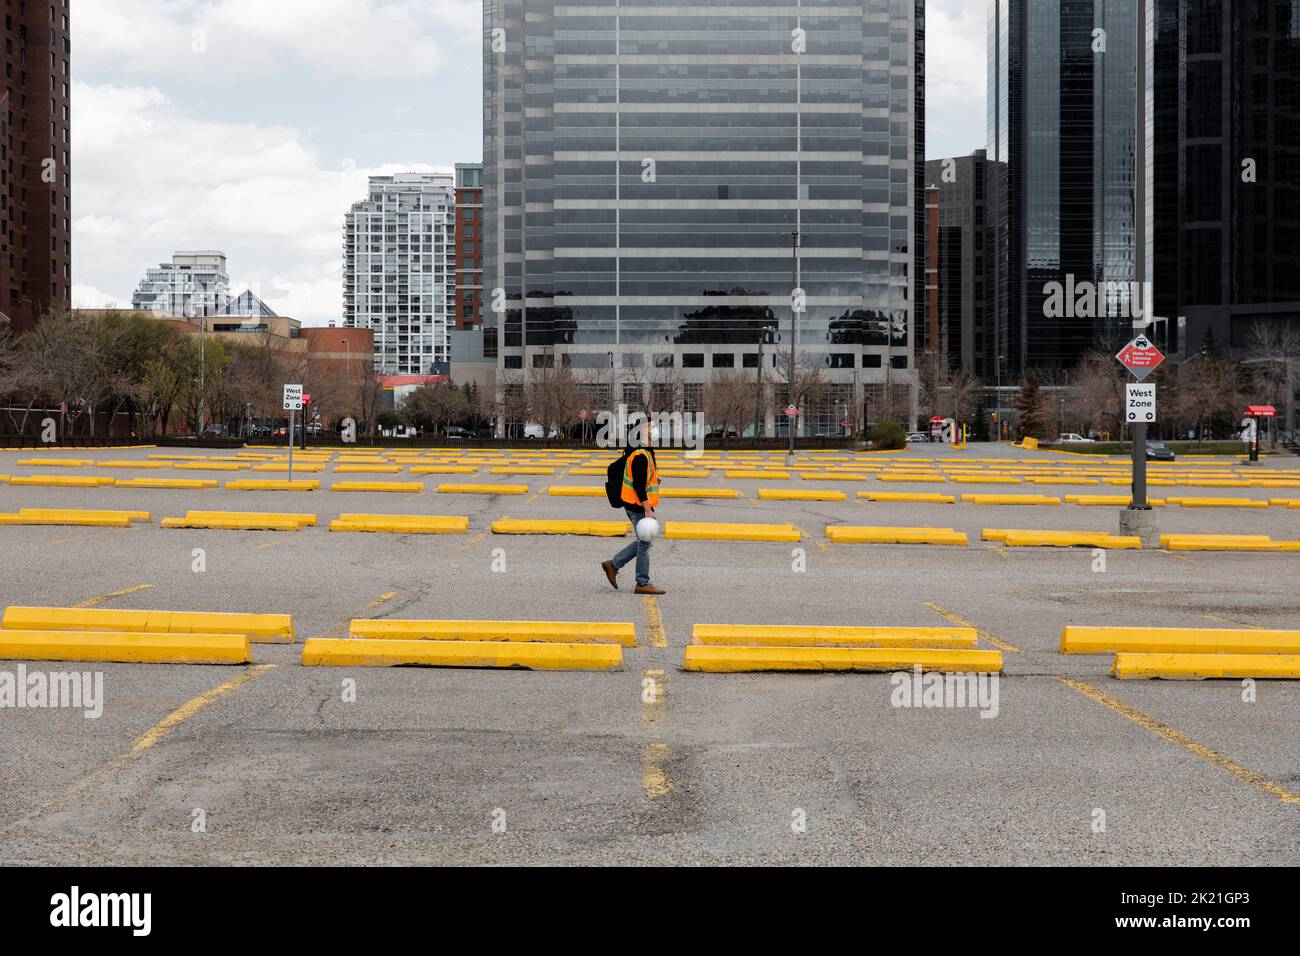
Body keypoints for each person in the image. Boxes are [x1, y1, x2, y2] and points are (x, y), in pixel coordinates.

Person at [601, 419, 665, 595]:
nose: (656, 431)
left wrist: (654, 480)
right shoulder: (640, 455)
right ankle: (642, 582)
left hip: (636, 504)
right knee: (645, 542)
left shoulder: (645, 452)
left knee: (644, 541)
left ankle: (613, 565)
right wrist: (647, 509)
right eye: (652, 428)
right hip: (637, 505)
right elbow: (637, 486)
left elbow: (642, 479)